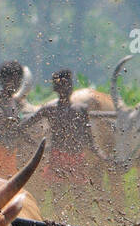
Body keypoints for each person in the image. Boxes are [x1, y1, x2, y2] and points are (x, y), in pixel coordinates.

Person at [22, 69, 98, 205]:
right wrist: (36, 145)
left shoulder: (80, 108)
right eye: (62, 84)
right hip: (57, 157)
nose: (66, 88)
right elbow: (23, 126)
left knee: (81, 198)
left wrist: (101, 155)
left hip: (77, 157)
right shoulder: (49, 109)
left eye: (68, 84)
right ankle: (58, 225)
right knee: (58, 200)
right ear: (55, 88)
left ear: (72, 86)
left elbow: (88, 137)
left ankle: (81, 224)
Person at [0, 60, 38, 179]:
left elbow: (20, 127)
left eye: (16, 81)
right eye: (9, 80)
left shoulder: (18, 103)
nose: (13, 84)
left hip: (15, 153)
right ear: (1, 80)